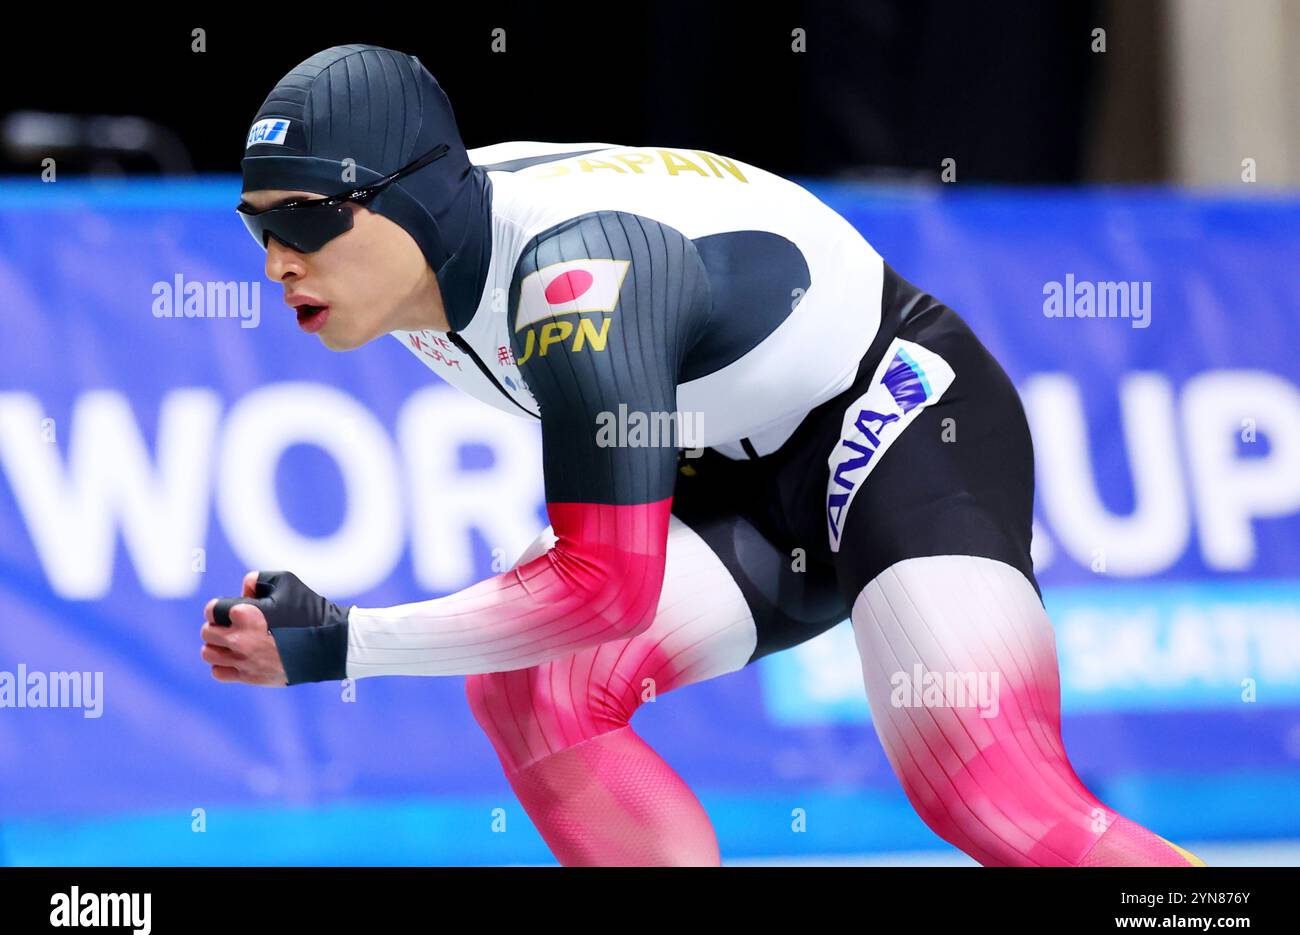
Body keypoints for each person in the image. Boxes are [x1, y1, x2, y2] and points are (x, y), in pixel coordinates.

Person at [205, 43, 1206, 867]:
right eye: (259, 222)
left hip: (893, 412)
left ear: (410, 198)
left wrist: (347, 643)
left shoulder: (576, 278)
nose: (278, 259)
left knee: (993, 795)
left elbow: (606, 588)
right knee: (534, 687)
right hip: (734, 459)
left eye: (306, 217)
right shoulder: (417, 243)